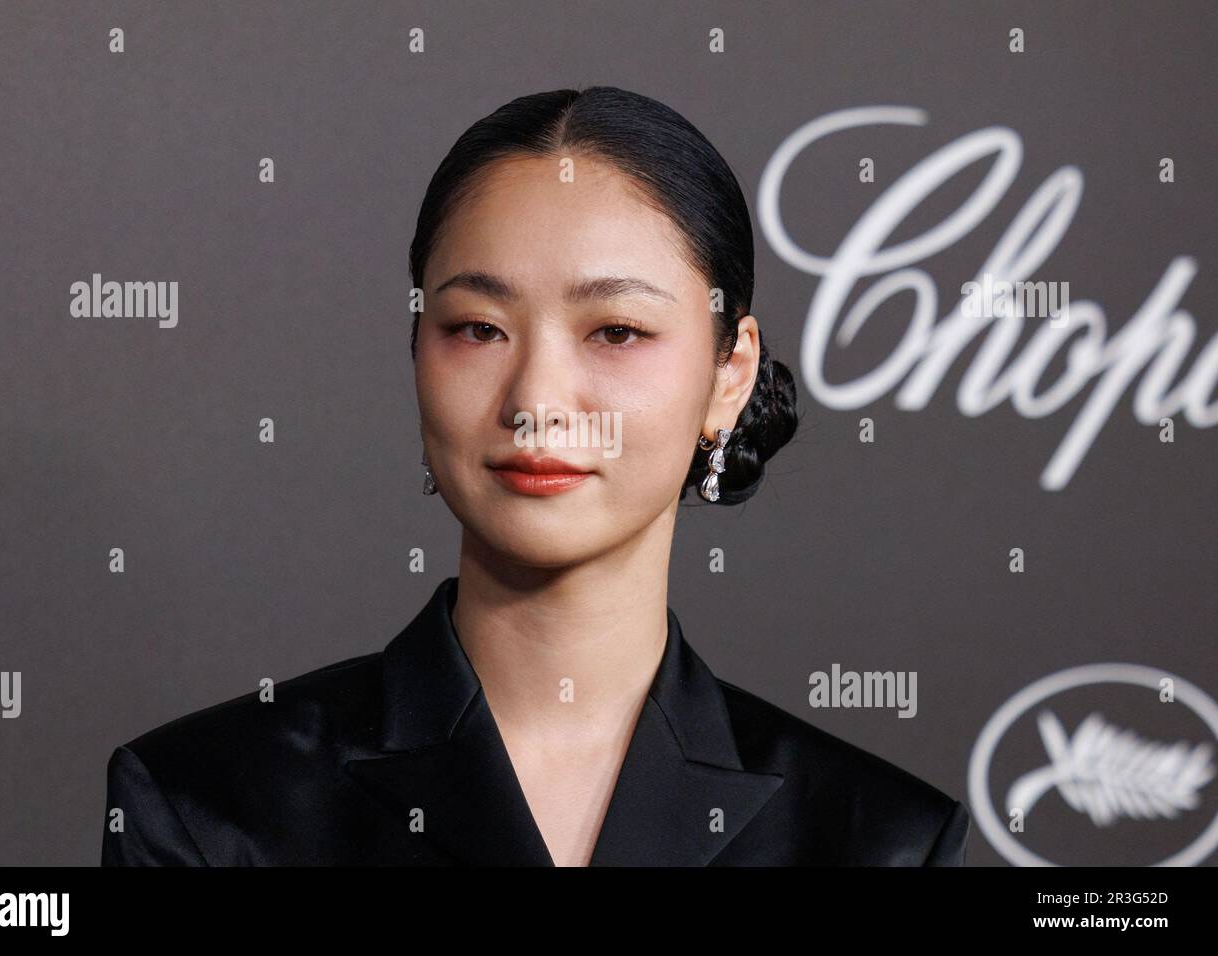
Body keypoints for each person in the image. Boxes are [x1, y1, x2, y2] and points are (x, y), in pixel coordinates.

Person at [102, 85, 970, 866]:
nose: (537, 402)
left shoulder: (879, 840)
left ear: (729, 374)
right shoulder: (206, 808)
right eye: (479, 328)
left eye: (617, 332)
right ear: (416, 351)